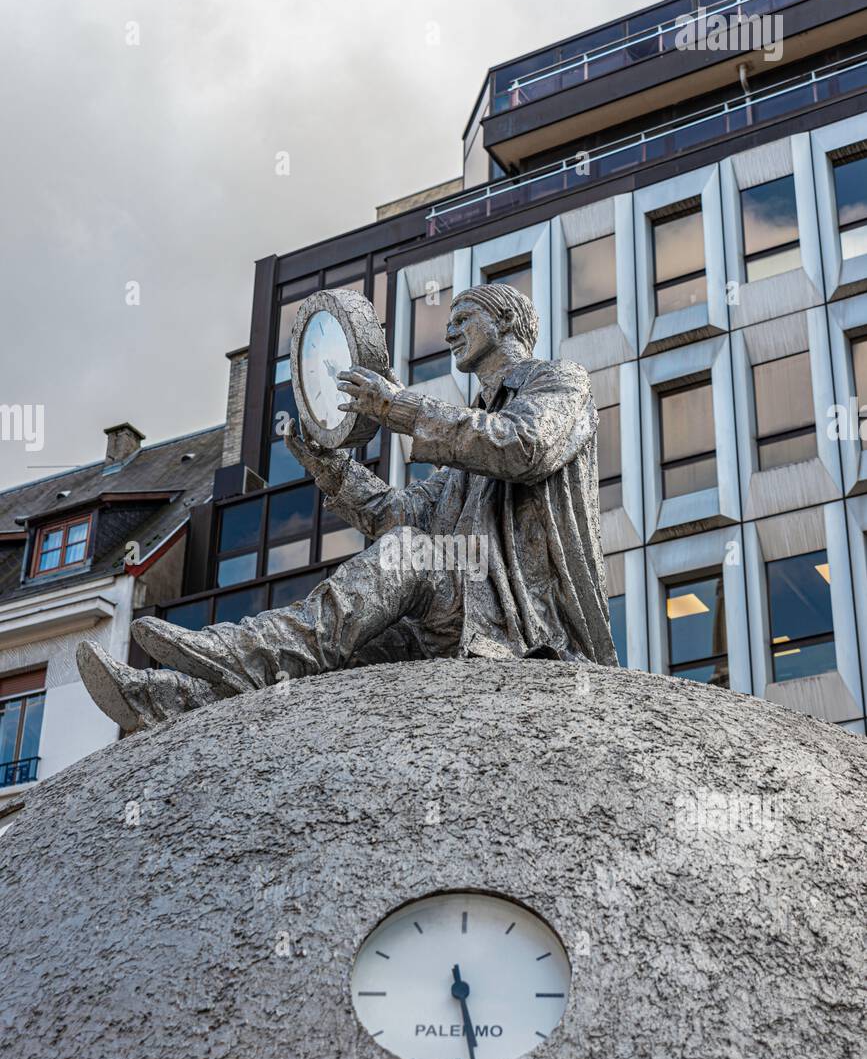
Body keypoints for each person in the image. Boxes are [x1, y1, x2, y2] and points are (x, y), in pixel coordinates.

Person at [78, 282, 617, 732]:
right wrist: (328, 467)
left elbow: (526, 447)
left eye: (464, 316)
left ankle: (234, 650)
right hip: (464, 617)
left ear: (504, 323)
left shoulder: (558, 382)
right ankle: (164, 698)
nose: (449, 330)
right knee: (336, 654)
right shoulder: (463, 441)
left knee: (409, 555)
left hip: (521, 620)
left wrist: (399, 408)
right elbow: (400, 514)